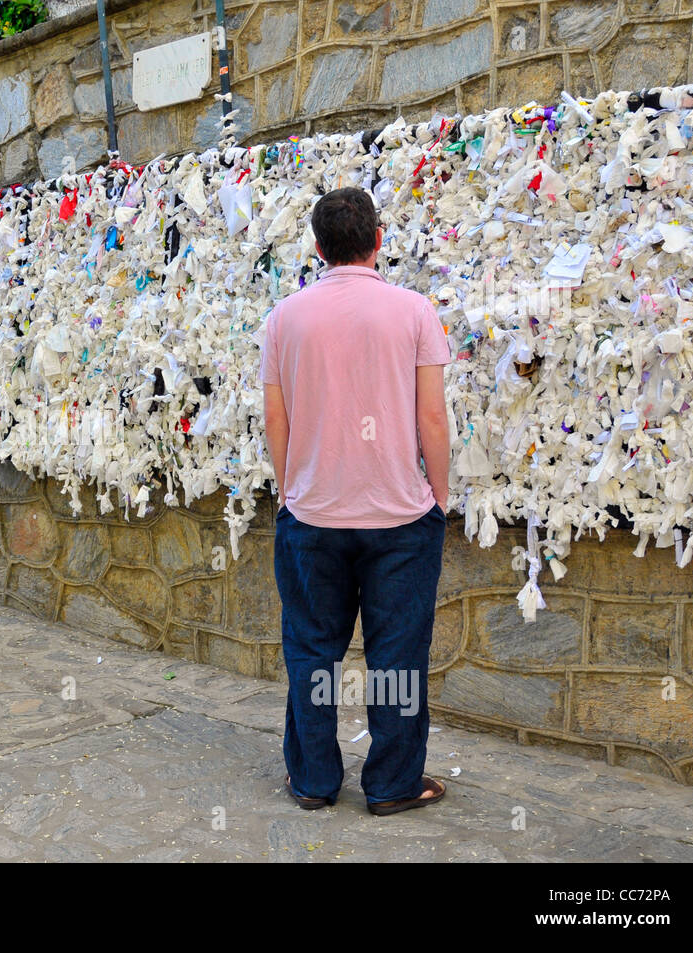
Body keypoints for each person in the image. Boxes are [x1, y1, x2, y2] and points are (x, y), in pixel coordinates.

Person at [259, 187, 452, 816]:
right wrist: (439, 499)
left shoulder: (284, 318)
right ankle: (393, 784)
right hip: (399, 516)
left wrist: (292, 492)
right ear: (377, 239)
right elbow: (431, 418)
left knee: (313, 650)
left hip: (312, 514)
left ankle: (315, 780)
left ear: (317, 248)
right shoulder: (414, 311)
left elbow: (276, 420)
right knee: (396, 655)